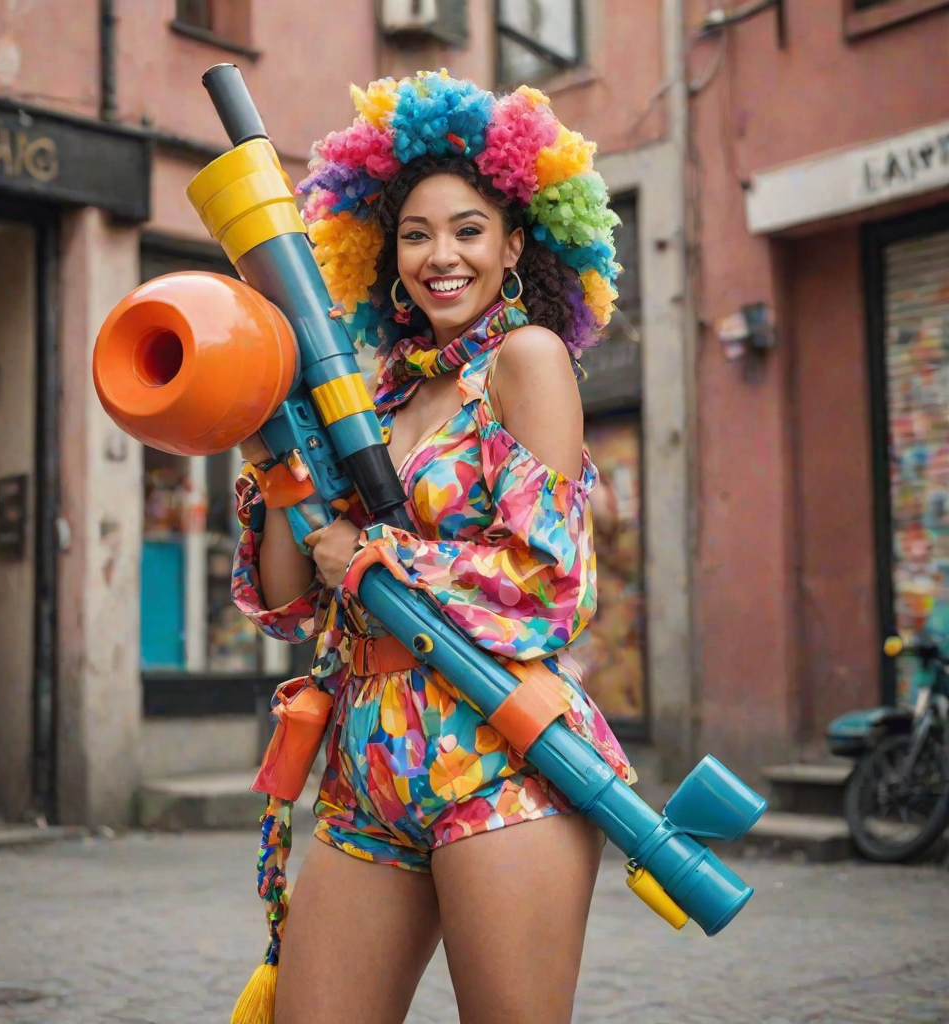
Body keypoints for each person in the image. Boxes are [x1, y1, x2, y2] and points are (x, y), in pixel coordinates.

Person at [230, 70, 632, 1024]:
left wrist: (371, 558)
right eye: (415, 234)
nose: (440, 256)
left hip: (501, 755)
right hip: (365, 762)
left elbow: (549, 584)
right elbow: (291, 604)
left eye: (467, 230)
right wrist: (277, 463)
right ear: (385, 254)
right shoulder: (377, 397)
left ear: (515, 246)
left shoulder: (525, 361)